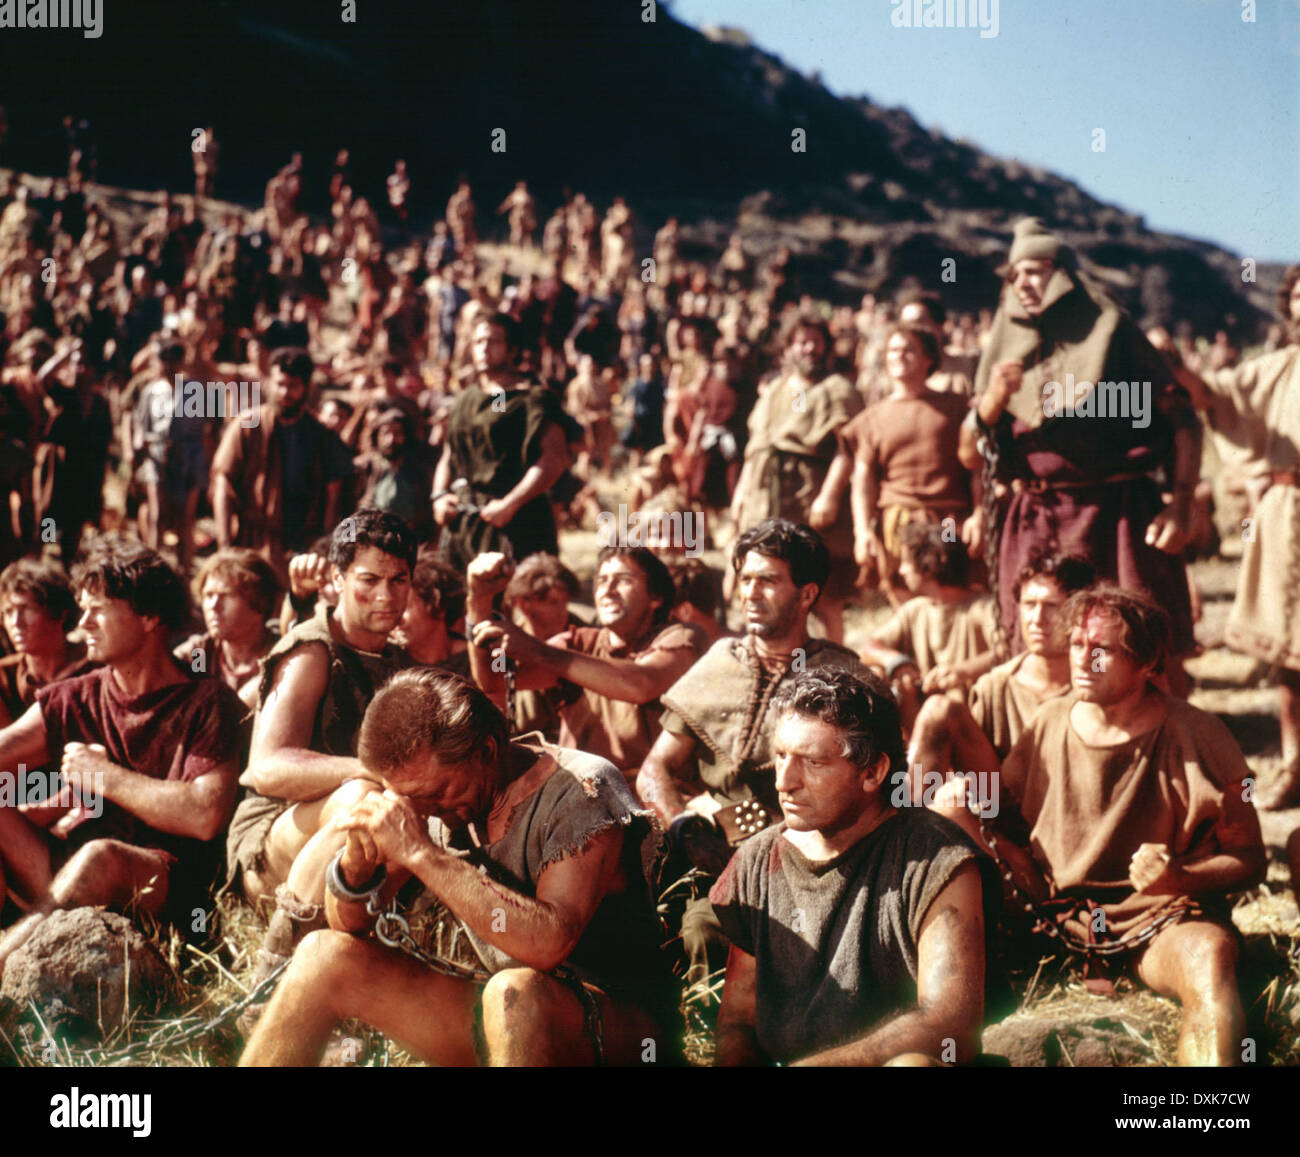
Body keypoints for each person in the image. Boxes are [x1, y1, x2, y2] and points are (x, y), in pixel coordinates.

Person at [239, 668, 677, 1067]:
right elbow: (348, 923)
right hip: (504, 1018)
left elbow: (548, 944)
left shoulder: (582, 789)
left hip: (620, 1030)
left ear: (486, 750)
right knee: (323, 954)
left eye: (435, 793)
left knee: (515, 993)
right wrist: (355, 870)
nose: (424, 807)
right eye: (410, 796)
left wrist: (423, 855)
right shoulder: (434, 794)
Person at [946, 587, 1265, 1067]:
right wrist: (964, 802)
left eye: (1102, 650)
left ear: (1147, 663)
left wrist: (1179, 877)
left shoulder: (1200, 734)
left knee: (1210, 958)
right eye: (1076, 644)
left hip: (1158, 919)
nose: (1082, 659)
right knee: (946, 817)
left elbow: (1251, 861)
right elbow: (1009, 819)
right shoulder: (1050, 719)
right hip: (1052, 914)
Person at [711, 668, 991, 1066]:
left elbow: (951, 1025)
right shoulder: (757, 860)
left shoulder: (936, 860)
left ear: (873, 772)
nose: (784, 782)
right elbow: (738, 1020)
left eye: (812, 762)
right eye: (780, 757)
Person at [959, 218, 1199, 676]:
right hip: (1035, 518)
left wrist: (1182, 502)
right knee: (1039, 652)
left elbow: (1182, 417)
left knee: (1136, 650)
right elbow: (970, 454)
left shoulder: (1112, 331)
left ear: (1065, 272)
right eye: (1014, 275)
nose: (1021, 283)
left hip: (1117, 516)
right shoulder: (1002, 345)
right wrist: (991, 403)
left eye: (1034, 271)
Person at [637, 519, 864, 985]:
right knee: (704, 932)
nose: (751, 593)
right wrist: (683, 827)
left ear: (806, 595)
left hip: (818, 859)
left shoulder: (842, 673)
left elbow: (868, 787)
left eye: (768, 581)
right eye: (745, 579)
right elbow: (655, 768)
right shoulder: (720, 661)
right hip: (722, 859)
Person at [0, 542, 244, 973]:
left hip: (167, 892)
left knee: (102, 856)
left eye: (99, 610)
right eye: (82, 609)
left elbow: (205, 815)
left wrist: (104, 777)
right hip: (68, 877)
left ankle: (7, 960)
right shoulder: (77, 694)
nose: (84, 624)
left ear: (149, 617)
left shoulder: (208, 701)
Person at [1158, 264, 1300, 807]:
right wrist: (1172, 363)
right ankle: (1294, 765)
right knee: (1292, 657)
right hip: (1290, 512)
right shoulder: (1279, 368)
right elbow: (1212, 395)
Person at [468, 546, 706, 781]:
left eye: (622, 580)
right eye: (601, 581)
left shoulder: (681, 638)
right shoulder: (577, 643)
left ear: (655, 597)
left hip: (654, 795)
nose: (608, 590)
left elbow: (641, 683)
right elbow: (495, 677)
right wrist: (481, 604)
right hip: (583, 798)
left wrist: (536, 650)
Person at [906, 551, 1094, 809]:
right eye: (1029, 605)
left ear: (1079, 613)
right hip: (1007, 817)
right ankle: (903, 821)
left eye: (1052, 607)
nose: (1037, 619)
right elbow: (979, 778)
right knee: (938, 709)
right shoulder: (995, 685)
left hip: (1073, 813)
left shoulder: (1095, 684)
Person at [730, 316, 863, 643]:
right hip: (766, 493)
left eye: (815, 341)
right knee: (765, 582)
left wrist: (829, 496)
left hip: (809, 492)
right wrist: (741, 495)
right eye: (801, 341)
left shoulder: (837, 389)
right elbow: (756, 447)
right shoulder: (775, 388)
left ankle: (834, 663)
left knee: (823, 592)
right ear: (788, 348)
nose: (809, 348)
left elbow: (848, 450)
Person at [842, 324, 980, 601]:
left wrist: (980, 515)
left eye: (909, 350)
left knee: (955, 599)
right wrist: (862, 533)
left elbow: (978, 467)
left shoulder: (957, 407)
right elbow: (863, 480)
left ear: (929, 359)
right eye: (893, 350)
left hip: (950, 522)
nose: (899, 356)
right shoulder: (872, 418)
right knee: (906, 603)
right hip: (898, 523)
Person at [432, 313, 571, 570]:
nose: (484, 348)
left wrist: (510, 504)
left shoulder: (531, 398)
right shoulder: (465, 399)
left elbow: (554, 459)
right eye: (478, 341)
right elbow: (449, 454)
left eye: (493, 341)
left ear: (512, 349)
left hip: (517, 523)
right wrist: (439, 496)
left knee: (518, 604)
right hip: (464, 525)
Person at [211, 347, 355, 581]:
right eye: (279, 384)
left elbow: (335, 496)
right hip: (255, 541)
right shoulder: (248, 425)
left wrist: (327, 545)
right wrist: (225, 546)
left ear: (306, 388)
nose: (284, 393)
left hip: (304, 544)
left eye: (293, 386)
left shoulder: (321, 435)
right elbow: (222, 484)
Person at [858, 521, 1001, 731]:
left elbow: (1008, 652)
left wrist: (965, 670)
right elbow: (868, 647)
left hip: (977, 720)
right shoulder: (915, 610)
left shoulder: (983, 608)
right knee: (876, 673)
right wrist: (897, 662)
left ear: (928, 565)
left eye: (906, 562)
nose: (901, 570)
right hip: (927, 719)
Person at [174, 548, 281, 709]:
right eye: (209, 595)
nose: (213, 606)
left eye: (227, 595)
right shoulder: (201, 653)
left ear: (259, 604)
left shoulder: (281, 658)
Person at [0, 558, 93, 728]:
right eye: (8, 611)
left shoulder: (93, 667)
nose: (15, 622)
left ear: (60, 614)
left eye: (27, 609)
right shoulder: (5, 677)